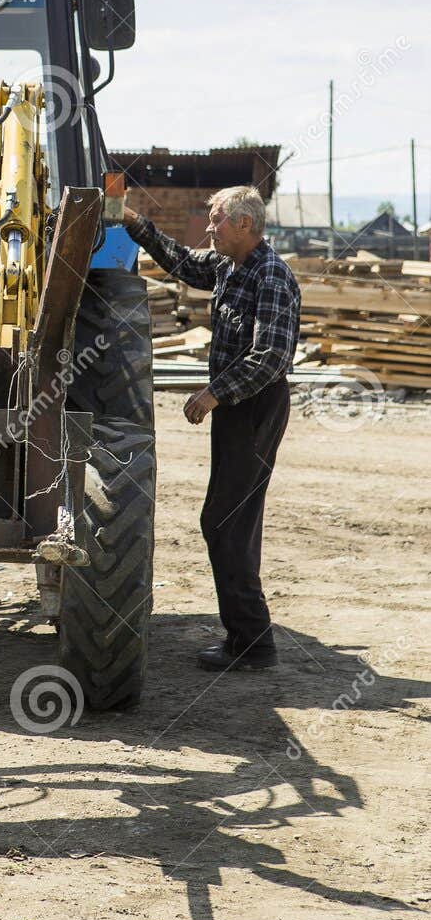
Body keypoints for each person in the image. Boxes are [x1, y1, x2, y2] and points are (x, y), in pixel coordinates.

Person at [123, 185, 301, 672]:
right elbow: (180, 261)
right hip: (237, 407)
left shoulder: (271, 276)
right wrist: (133, 222)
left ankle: (253, 642)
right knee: (229, 522)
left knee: (225, 522)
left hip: (255, 407)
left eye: (217, 219)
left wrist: (213, 393)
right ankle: (246, 636)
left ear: (245, 225)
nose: (209, 227)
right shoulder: (229, 266)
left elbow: (270, 357)